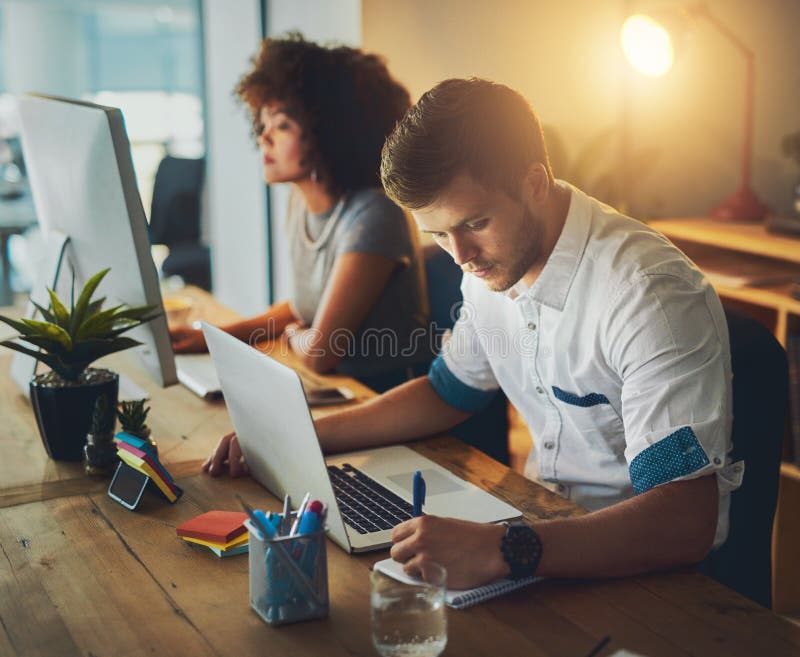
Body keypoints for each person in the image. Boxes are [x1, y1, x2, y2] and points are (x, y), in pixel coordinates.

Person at [206, 77, 742, 589]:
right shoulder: (489, 267)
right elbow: (447, 392)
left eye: (474, 224)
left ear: (534, 184)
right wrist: (298, 437)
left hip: (642, 571)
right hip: (539, 534)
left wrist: (503, 550)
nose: (460, 256)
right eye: (438, 234)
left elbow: (682, 521)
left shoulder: (645, 294)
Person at [170, 34, 429, 394]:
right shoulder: (301, 203)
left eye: (283, 125)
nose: (264, 137)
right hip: (331, 387)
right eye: (263, 123)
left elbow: (320, 352)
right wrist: (212, 338)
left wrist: (294, 336)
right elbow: (301, 308)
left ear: (329, 132)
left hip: (380, 396)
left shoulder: (374, 216)